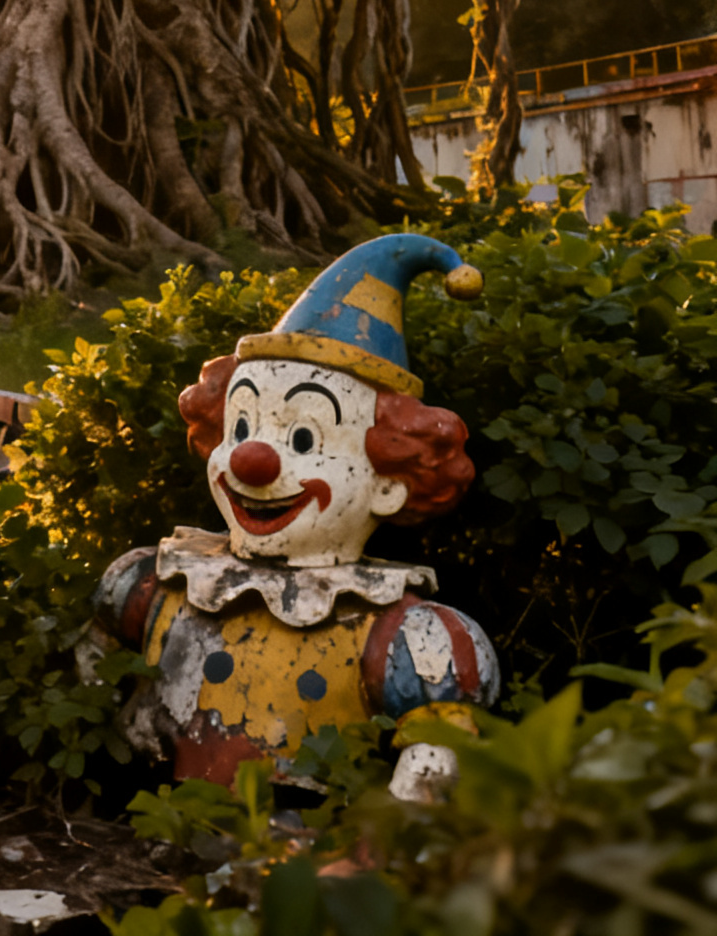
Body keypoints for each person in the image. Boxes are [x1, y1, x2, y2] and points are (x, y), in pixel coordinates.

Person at [94, 234, 497, 800]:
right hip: (148, 815)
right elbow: (91, 678)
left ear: (387, 484)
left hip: (307, 833)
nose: (251, 460)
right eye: (241, 427)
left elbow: (430, 771)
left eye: (305, 439)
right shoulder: (152, 586)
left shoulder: (408, 637)